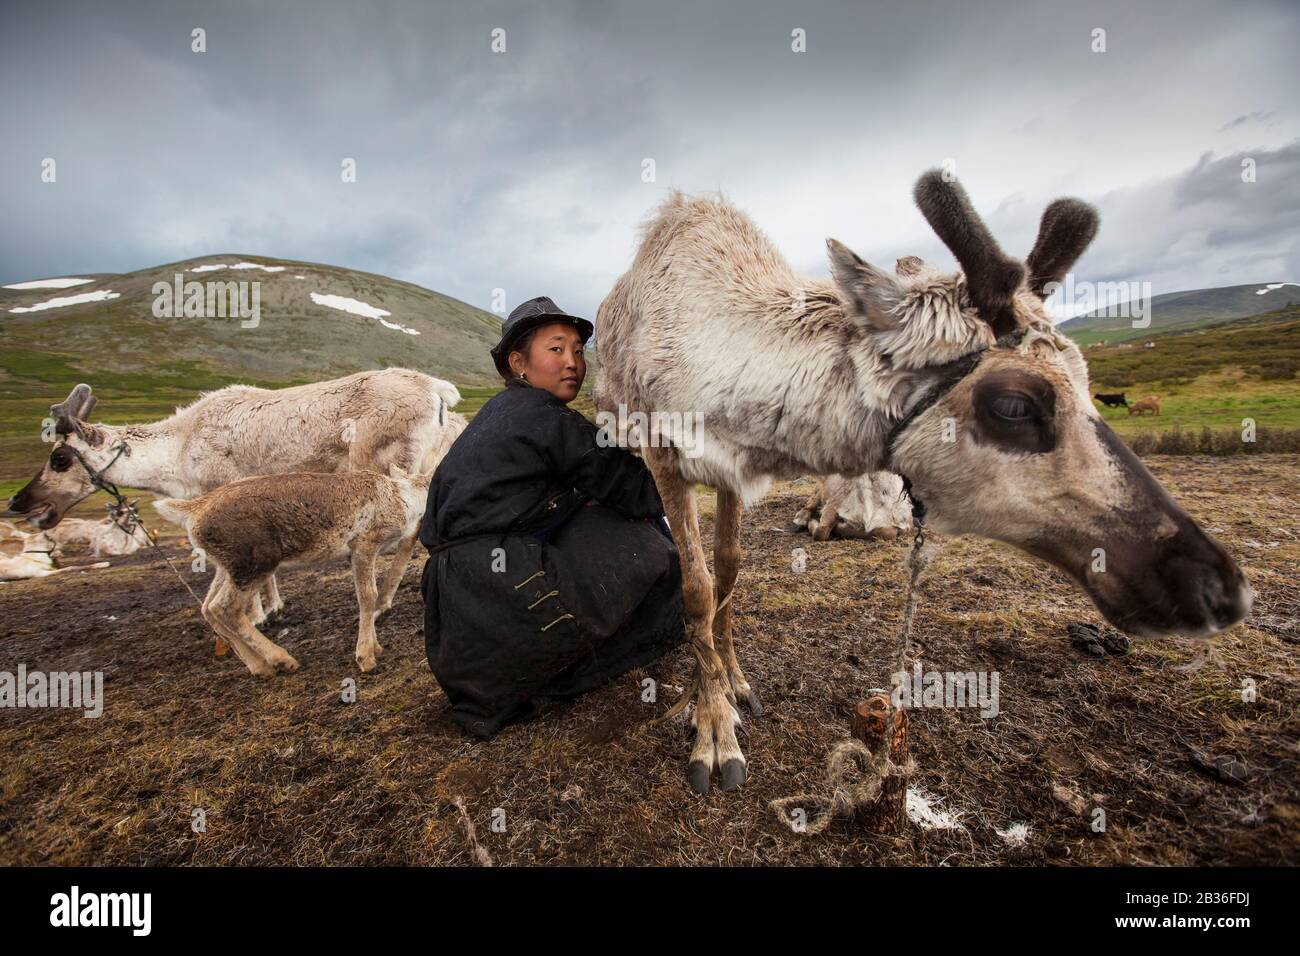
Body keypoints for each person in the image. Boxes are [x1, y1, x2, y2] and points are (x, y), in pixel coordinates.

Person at [419, 296, 686, 738]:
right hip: (507, 594)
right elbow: (640, 491)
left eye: (580, 351)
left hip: (456, 626)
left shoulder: (494, 416)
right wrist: (680, 453)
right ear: (518, 362)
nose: (573, 363)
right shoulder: (544, 416)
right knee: (647, 538)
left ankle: (516, 682)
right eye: (557, 349)